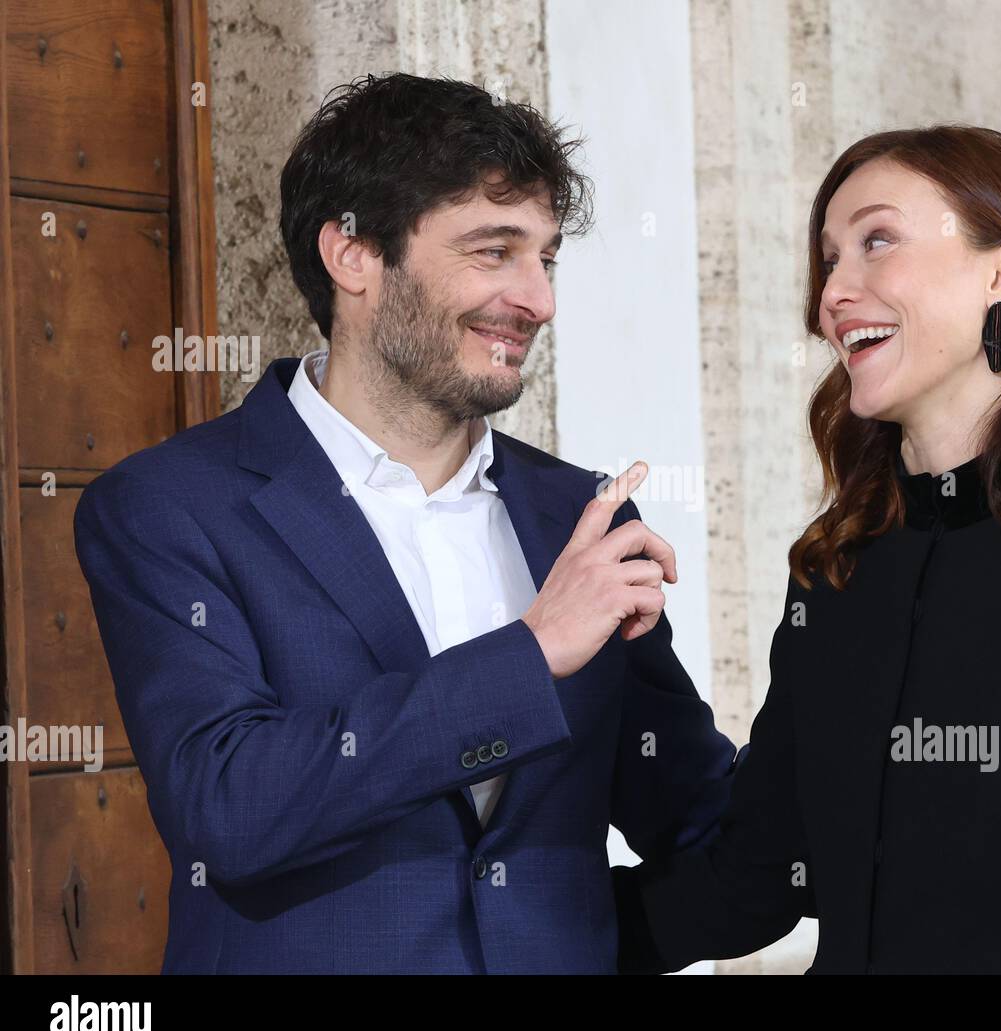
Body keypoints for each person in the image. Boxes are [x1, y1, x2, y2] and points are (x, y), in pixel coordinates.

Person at [74, 73, 737, 974]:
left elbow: (711, 828)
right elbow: (230, 809)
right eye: (494, 250)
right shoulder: (169, 506)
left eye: (545, 259)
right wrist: (530, 653)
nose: (537, 300)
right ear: (353, 254)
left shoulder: (577, 515)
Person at [615, 125, 1001, 975]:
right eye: (829, 259)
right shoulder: (833, 568)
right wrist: (492, 925)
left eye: (878, 241)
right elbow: (753, 878)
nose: (833, 292)